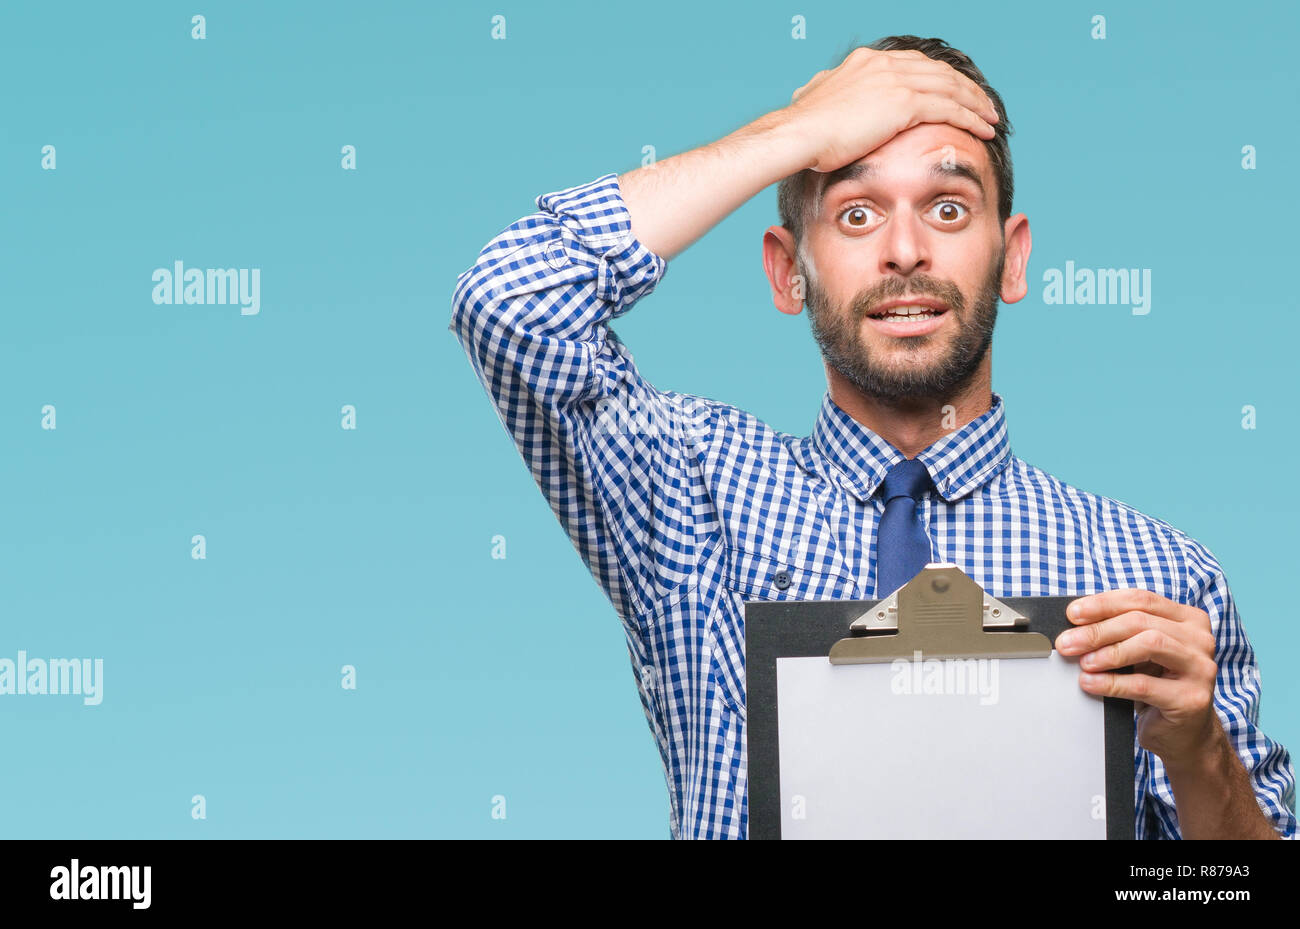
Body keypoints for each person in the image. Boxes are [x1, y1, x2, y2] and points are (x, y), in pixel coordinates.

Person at [449, 34, 1296, 839]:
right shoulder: (689, 496)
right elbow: (511, 302)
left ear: (1012, 255)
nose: (904, 249)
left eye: (949, 206)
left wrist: (1202, 753)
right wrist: (795, 133)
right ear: (787, 270)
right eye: (856, 214)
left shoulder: (1158, 577)